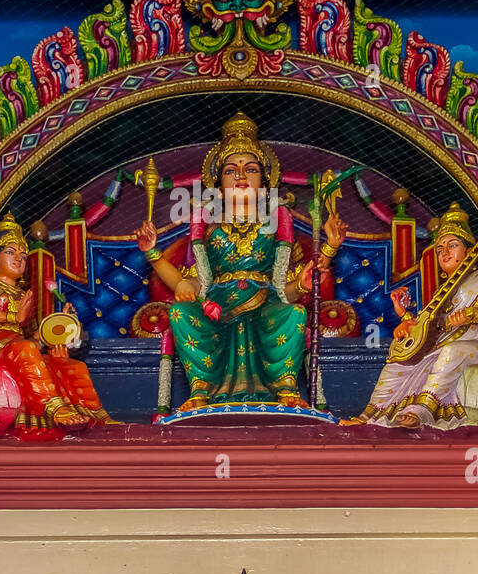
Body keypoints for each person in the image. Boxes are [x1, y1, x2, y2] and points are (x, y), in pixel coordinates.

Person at [136, 111, 346, 410]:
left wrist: (328, 251)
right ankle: (200, 391)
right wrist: (153, 253)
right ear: (219, 184)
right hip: (218, 303)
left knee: (296, 315)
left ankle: (286, 389)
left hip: (266, 299)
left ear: (264, 182)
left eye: (250, 169)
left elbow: (287, 288)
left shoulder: (277, 217)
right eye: (231, 170)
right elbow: (200, 283)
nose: (241, 176)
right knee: (181, 314)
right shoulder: (206, 222)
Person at [354, 202, 478, 429]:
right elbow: (429, 329)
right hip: (441, 347)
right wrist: (404, 317)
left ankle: (423, 410)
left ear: (468, 251)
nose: (445, 252)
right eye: (440, 249)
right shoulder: (442, 292)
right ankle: (370, 416)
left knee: (450, 351)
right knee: (397, 362)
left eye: (453, 245)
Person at [0, 213, 111, 431]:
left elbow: (34, 336)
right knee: (24, 348)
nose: (18, 259)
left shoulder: (22, 294)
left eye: (23, 256)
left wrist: (61, 329)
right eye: (10, 252)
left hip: (19, 347)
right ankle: (55, 408)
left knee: (72, 365)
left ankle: (96, 416)